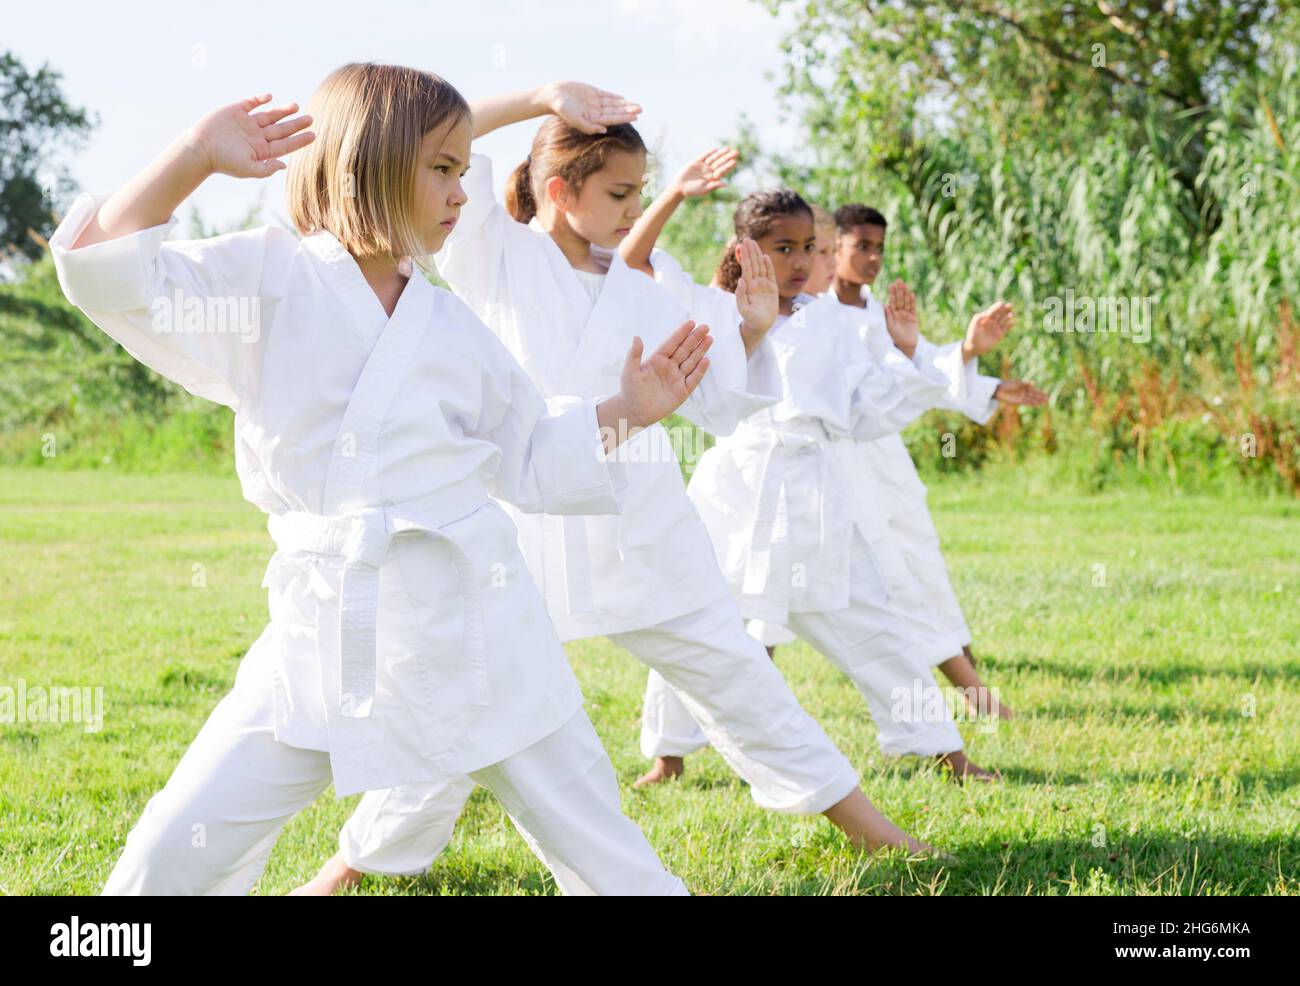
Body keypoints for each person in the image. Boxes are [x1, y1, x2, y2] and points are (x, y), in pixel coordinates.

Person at [51, 63, 713, 896]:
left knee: (605, 849)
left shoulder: (450, 325)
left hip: (477, 627)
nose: (461, 195)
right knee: (175, 845)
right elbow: (110, 269)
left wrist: (627, 409)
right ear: (365, 161)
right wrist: (193, 156)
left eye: (465, 171)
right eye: (442, 168)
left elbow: (533, 455)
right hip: (326, 627)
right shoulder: (266, 279)